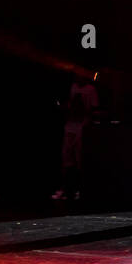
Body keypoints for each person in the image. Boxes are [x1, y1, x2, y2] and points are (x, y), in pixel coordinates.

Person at [53, 72, 99, 201]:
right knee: (66, 159)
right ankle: (65, 189)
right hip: (70, 127)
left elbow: (93, 108)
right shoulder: (73, 87)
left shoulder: (90, 89)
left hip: (82, 127)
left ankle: (80, 189)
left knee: (80, 160)